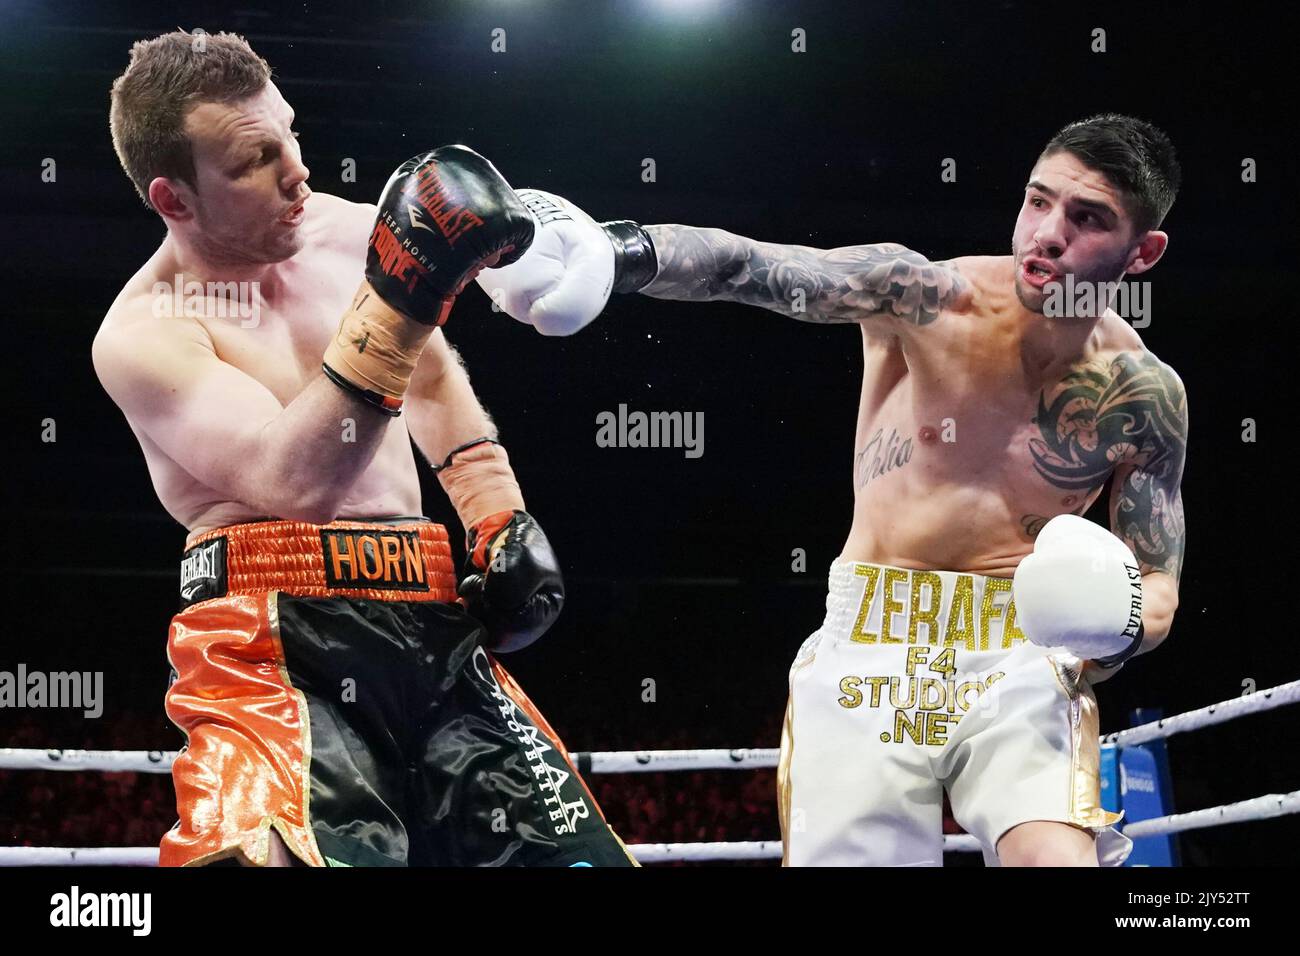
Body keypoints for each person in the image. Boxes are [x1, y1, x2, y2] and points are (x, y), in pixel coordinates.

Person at [478, 114, 1187, 866]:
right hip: (872, 642)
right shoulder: (924, 296)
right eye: (1037, 201)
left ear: (1143, 252)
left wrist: (1122, 621)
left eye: (1086, 219)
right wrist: (619, 250)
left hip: (1020, 654)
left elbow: (1159, 582)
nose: (1047, 233)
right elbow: (751, 267)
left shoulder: (1147, 395)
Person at [92, 29, 632, 867]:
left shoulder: (350, 234)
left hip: (431, 616)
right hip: (271, 637)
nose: (297, 171)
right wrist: (404, 297)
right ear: (175, 200)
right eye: (255, 160)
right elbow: (288, 477)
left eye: (292, 134)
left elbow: (429, 382)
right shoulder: (142, 332)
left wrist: (496, 513)